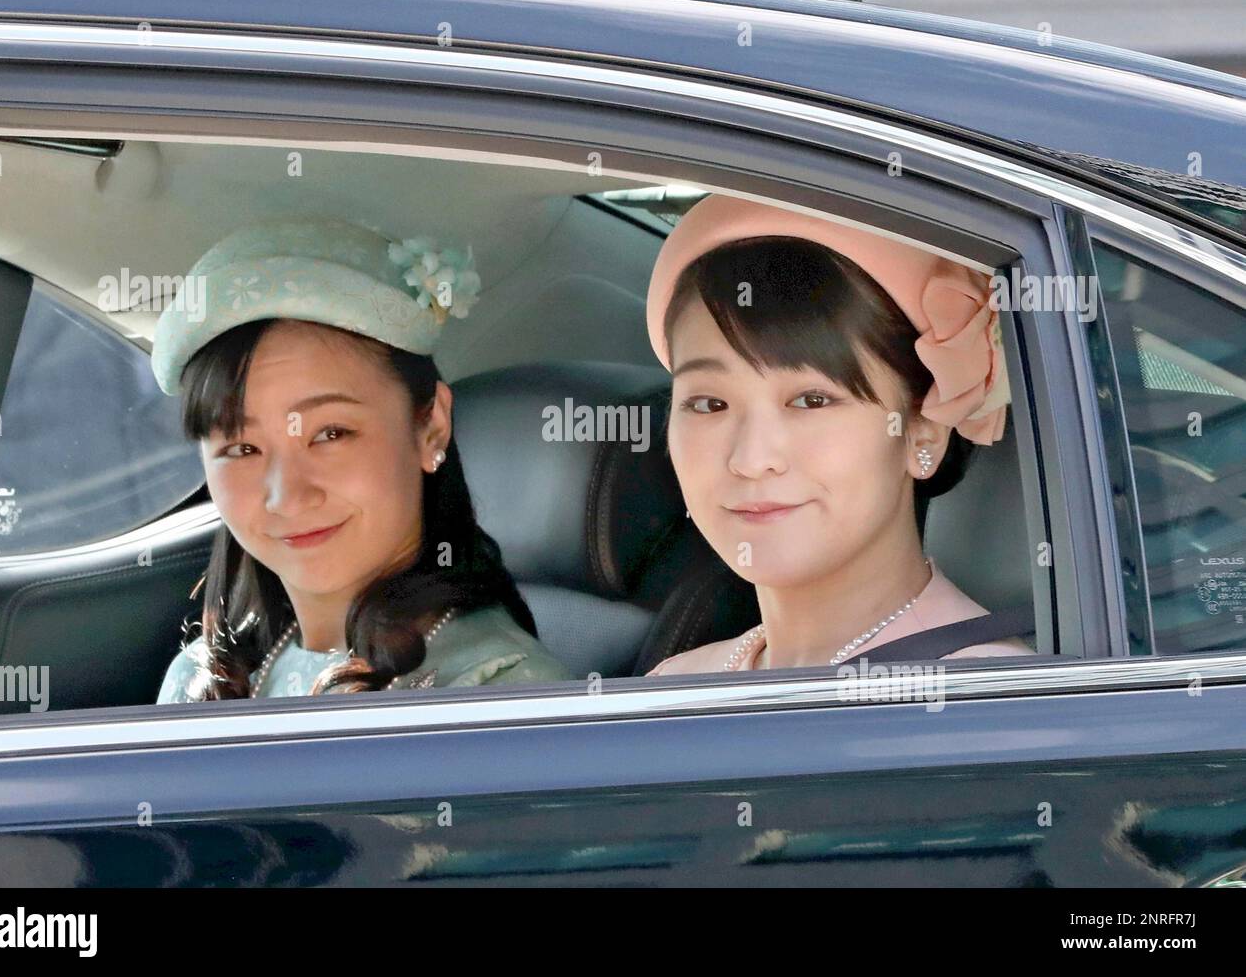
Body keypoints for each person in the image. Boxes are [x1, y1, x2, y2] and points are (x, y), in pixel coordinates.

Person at [150, 217, 571, 701]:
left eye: (330, 433)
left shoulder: (502, 692)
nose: (287, 495)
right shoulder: (200, 680)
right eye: (242, 448)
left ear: (431, 425)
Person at [640, 195, 1034, 675]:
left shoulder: (985, 701)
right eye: (709, 404)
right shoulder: (676, 682)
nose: (751, 457)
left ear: (923, 431)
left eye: (811, 400)